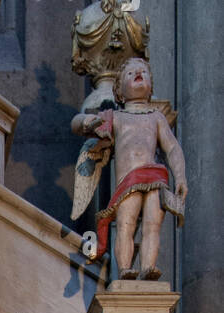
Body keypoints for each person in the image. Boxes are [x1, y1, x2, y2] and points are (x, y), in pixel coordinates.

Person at [71, 56, 187, 280]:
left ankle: (148, 267)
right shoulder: (115, 117)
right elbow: (76, 123)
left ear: (150, 86)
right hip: (129, 180)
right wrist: (88, 122)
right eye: (130, 72)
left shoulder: (157, 117)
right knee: (126, 222)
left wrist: (180, 177)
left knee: (153, 224)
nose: (138, 73)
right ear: (119, 92)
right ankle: (125, 269)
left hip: (155, 176)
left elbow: (172, 148)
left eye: (143, 71)